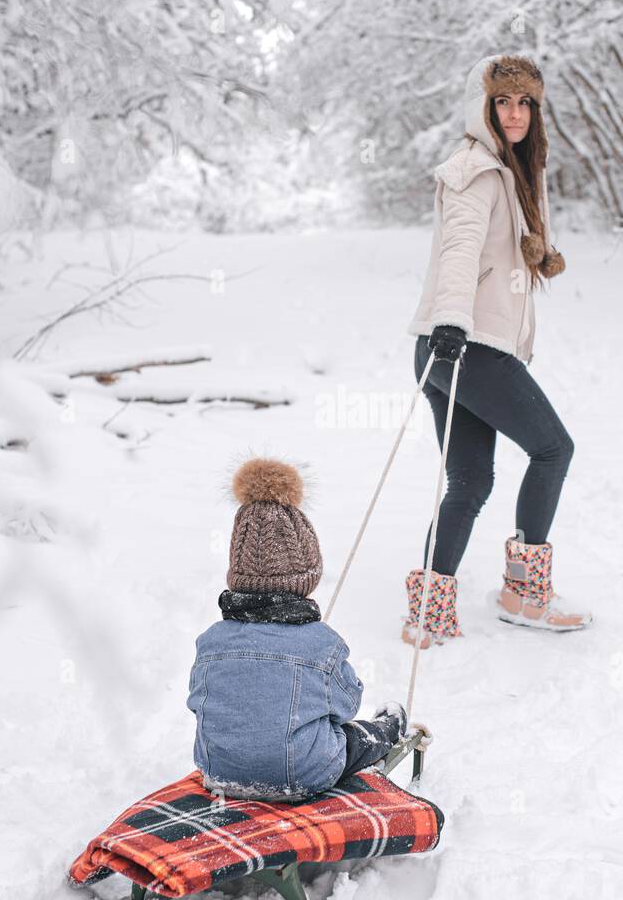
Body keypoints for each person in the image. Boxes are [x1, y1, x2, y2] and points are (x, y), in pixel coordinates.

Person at [402, 53, 593, 642]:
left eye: (525, 103)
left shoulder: (508, 172)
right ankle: (524, 593)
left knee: (470, 480)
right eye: (503, 102)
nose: (515, 114)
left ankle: (428, 617)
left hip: (446, 349)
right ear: (482, 107)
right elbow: (460, 249)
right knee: (553, 448)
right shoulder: (477, 171)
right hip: (466, 346)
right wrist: (454, 321)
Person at [187, 456, 408, 801]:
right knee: (351, 738)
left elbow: (200, 703)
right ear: (304, 582)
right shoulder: (323, 645)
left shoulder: (211, 642)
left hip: (219, 771)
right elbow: (347, 705)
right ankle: (387, 730)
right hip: (303, 774)